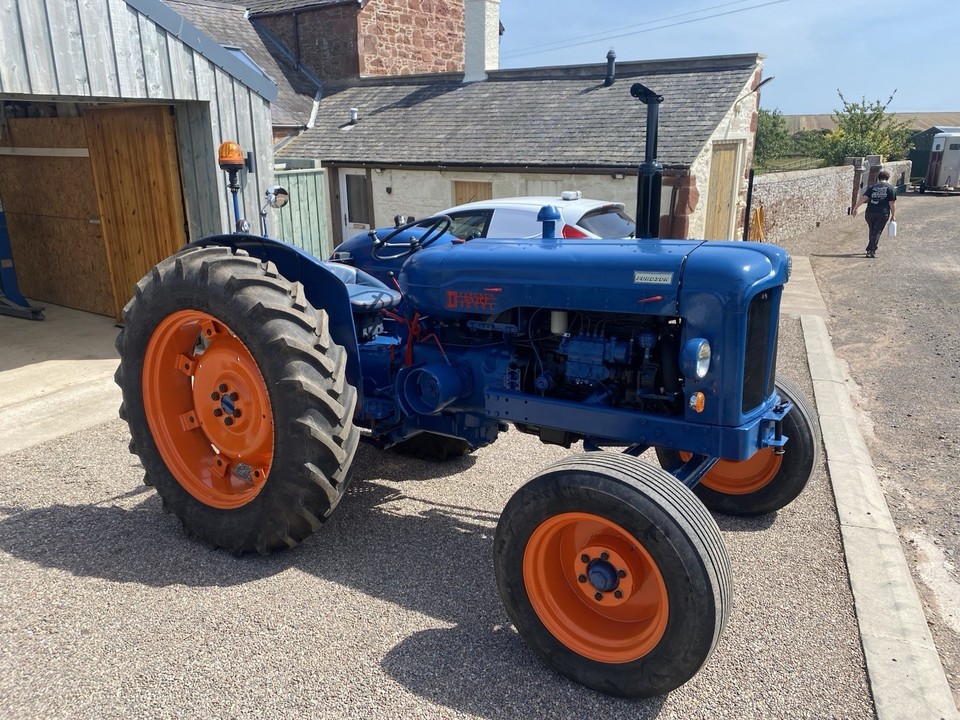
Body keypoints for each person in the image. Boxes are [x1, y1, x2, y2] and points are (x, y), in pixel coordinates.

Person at [852, 170, 896, 258]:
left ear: (878, 178)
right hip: (882, 213)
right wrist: (893, 215)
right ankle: (870, 250)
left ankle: (872, 248)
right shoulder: (890, 188)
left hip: (870, 212)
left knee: (872, 231)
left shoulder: (872, 187)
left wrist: (855, 208)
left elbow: (864, 198)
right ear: (887, 178)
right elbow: (891, 203)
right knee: (877, 231)